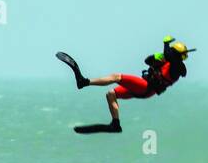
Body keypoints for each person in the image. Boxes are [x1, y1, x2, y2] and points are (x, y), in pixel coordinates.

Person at [55, 36, 194, 134]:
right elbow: (147, 61)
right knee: (111, 94)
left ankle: (84, 82)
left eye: (173, 52)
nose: (169, 53)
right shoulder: (167, 61)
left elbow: (171, 58)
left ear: (177, 55)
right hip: (143, 88)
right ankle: (115, 124)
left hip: (147, 87)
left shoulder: (179, 68)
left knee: (117, 77)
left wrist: (165, 45)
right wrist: (156, 56)